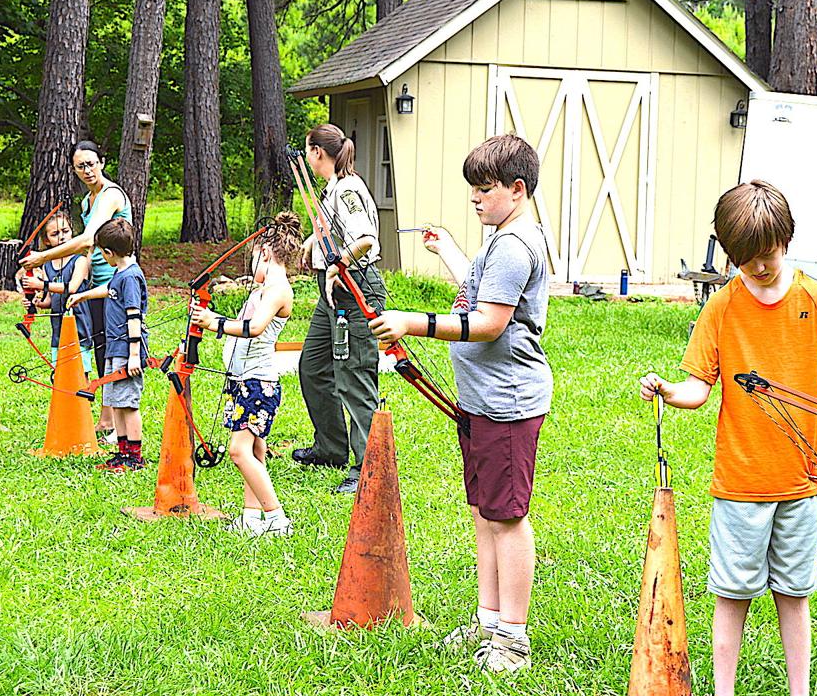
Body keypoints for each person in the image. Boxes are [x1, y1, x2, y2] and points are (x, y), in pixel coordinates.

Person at [637, 181, 817, 696]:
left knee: (794, 594)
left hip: (802, 482)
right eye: (744, 259)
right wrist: (669, 390)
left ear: (786, 237)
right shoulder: (721, 307)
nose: (758, 267)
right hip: (740, 482)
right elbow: (698, 387)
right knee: (732, 595)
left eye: (766, 254)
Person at [369, 134, 553, 674]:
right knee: (484, 515)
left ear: (517, 190)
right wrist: (447, 247)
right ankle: (489, 621)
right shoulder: (501, 236)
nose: (475, 198)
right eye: (472, 188)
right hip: (482, 402)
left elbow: (490, 323)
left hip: (508, 405)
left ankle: (512, 640)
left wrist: (412, 323)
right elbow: (479, 287)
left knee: (507, 518)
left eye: (485, 189)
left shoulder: (517, 246)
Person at [188, 211, 302, 537]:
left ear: (265, 253)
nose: (252, 267)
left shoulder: (278, 289)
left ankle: (277, 519)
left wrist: (215, 323)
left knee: (239, 451)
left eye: (253, 257)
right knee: (255, 450)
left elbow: (254, 329)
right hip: (243, 382)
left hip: (258, 384)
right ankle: (252, 518)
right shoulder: (264, 288)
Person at [291, 123, 386, 495]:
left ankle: (367, 467)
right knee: (313, 366)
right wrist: (312, 241)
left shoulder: (347, 188)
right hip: (329, 293)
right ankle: (330, 449)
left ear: (317, 152)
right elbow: (336, 229)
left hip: (353, 289)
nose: (307, 157)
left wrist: (337, 263)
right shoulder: (333, 189)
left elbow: (364, 239)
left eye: (308, 150)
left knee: (354, 376)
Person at [20, 140, 134, 443]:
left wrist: (42, 257)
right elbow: (87, 252)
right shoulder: (87, 201)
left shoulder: (110, 195)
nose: (87, 170)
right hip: (97, 283)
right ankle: (107, 420)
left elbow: (87, 240)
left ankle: (121, 424)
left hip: (118, 282)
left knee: (117, 351)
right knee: (102, 350)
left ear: (102, 162)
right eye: (80, 166)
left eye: (91, 163)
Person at [67, 219, 149, 473]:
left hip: (127, 350)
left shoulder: (132, 276)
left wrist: (134, 354)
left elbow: (133, 314)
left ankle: (134, 456)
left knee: (128, 404)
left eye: (101, 252)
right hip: (115, 349)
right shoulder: (121, 273)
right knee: (115, 401)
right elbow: (110, 290)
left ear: (109, 253)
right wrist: (83, 295)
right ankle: (122, 453)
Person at [16, 209, 94, 374]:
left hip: (78, 326)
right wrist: (35, 303)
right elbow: (50, 301)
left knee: (80, 373)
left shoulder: (79, 261)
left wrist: (41, 284)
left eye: (65, 231)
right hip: (58, 331)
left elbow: (71, 288)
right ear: (47, 241)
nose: (62, 236)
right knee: (61, 374)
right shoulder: (48, 266)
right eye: (55, 234)